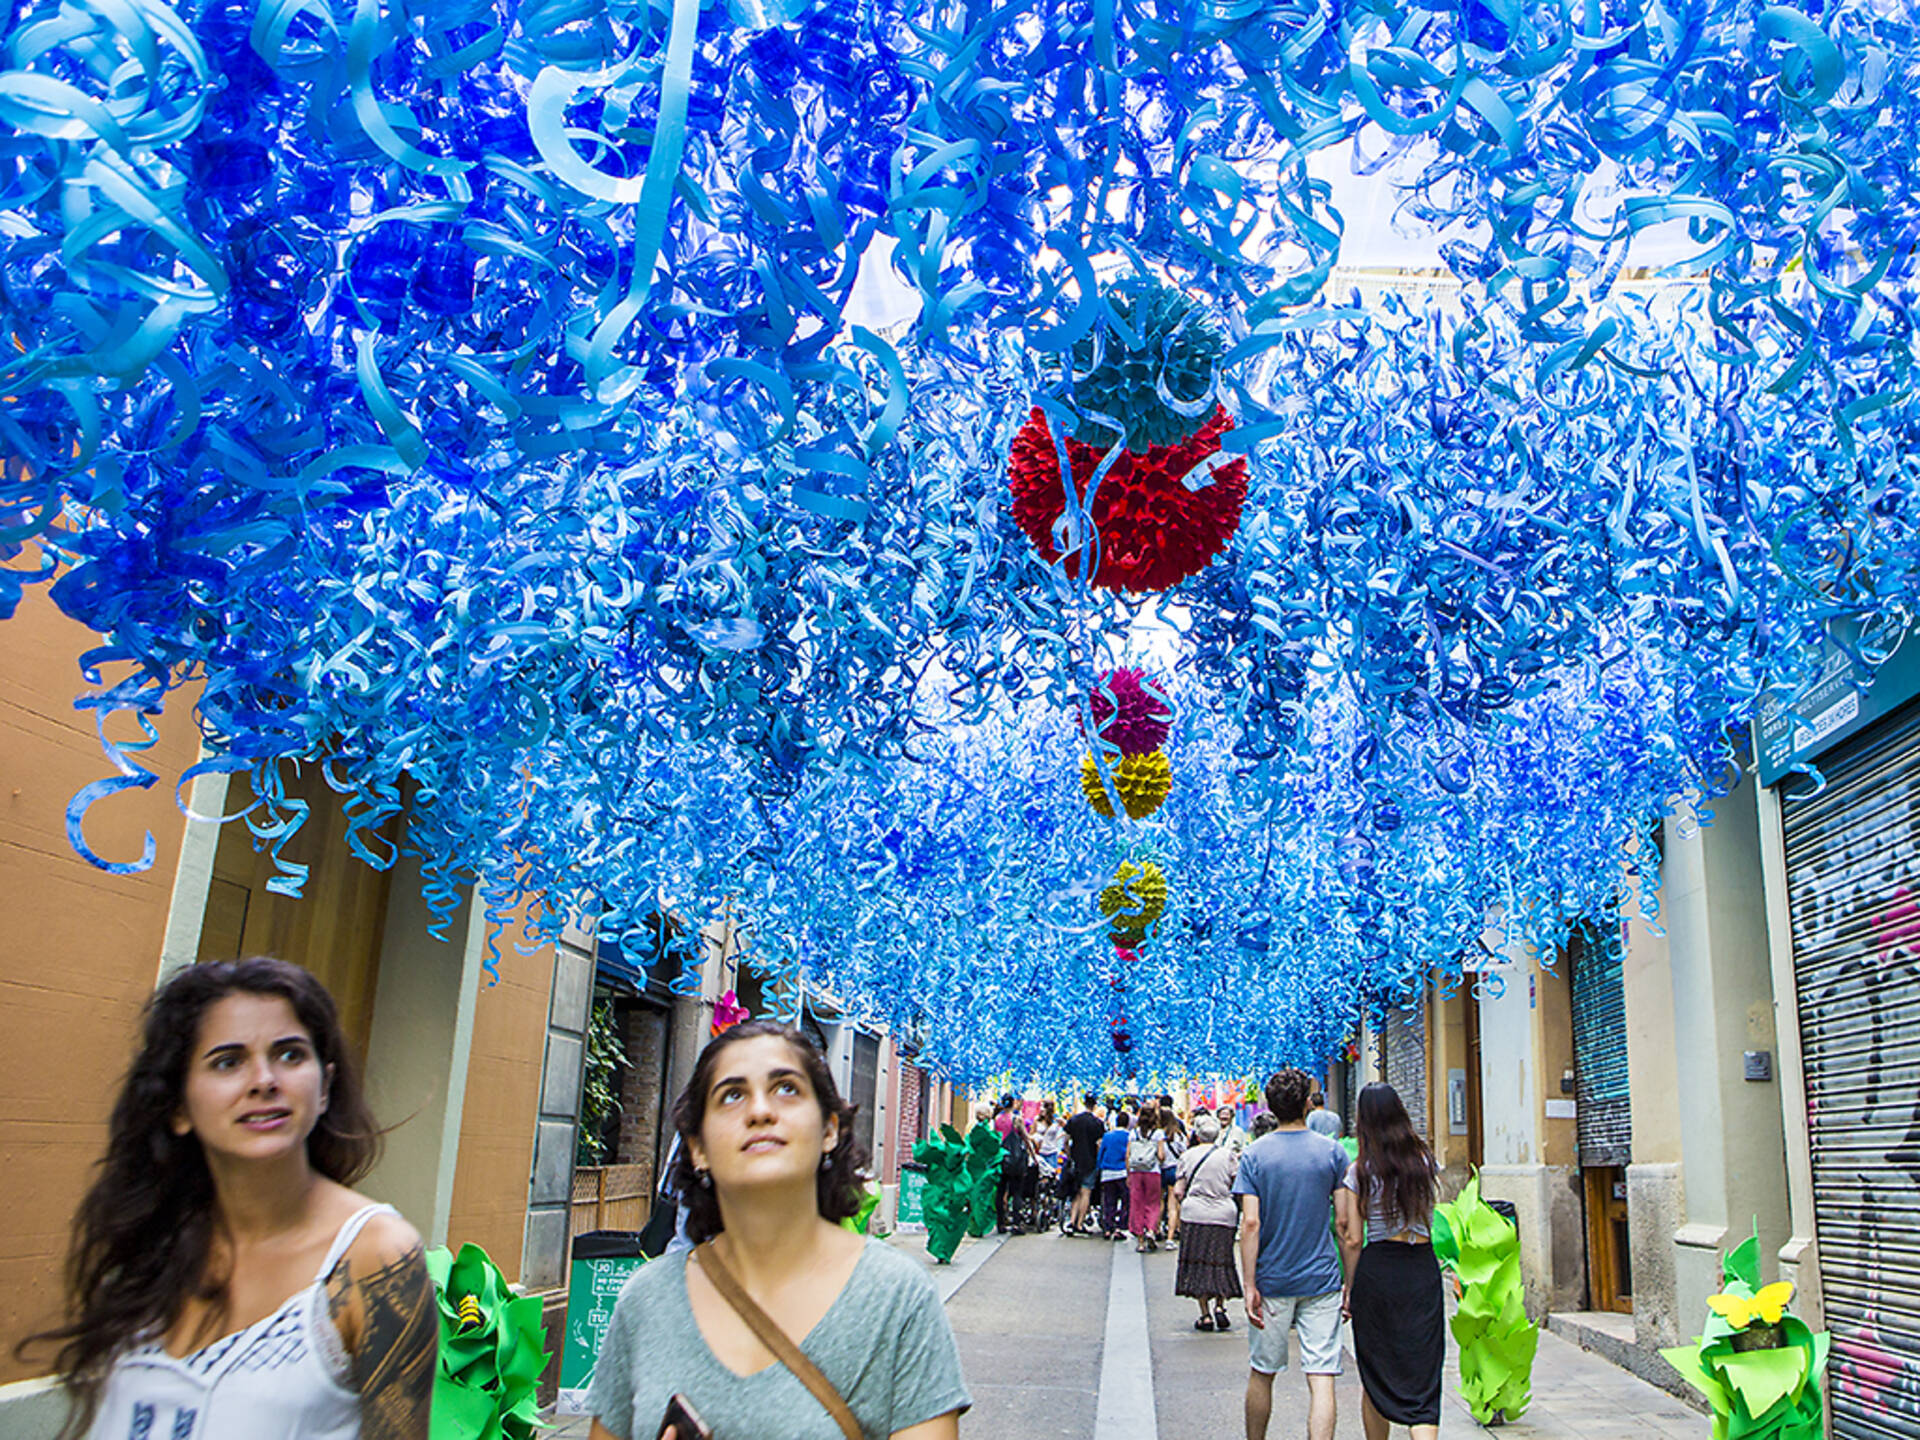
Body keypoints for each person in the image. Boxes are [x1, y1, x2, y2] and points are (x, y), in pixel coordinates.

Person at [24, 958, 433, 1440]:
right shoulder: (155, 1239)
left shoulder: (375, 1257)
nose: (264, 1079)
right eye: (228, 1061)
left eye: (289, 1054)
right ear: (178, 1108)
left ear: (324, 1088)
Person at [587, 1019, 970, 1440]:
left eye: (787, 1088)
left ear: (829, 1130)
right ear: (698, 1148)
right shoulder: (646, 1300)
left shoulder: (898, 1298)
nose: (760, 1111)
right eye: (731, 1096)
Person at [1232, 1068, 1359, 1440]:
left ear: (1271, 1107)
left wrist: (1249, 1283)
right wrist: (1349, 1281)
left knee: (1262, 1371)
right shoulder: (1333, 1153)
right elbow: (1344, 1225)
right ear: (1307, 1102)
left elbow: (1250, 1224)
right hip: (1321, 1279)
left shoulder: (1254, 1155)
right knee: (1322, 1376)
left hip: (1272, 1279)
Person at [1338, 1083, 1443, 1440]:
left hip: (1379, 1270)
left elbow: (1352, 1237)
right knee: (1424, 1376)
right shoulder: (1426, 1161)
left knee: (1376, 1370)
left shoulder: (1360, 1171)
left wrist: (1350, 1286)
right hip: (1421, 1267)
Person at [1173, 1114, 1242, 1332]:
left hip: (1195, 1214)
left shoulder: (1188, 1155)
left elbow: (1177, 1190)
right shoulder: (1228, 1155)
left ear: (1197, 1134)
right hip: (1224, 1214)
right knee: (1221, 1260)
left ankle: (1204, 1314)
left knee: (1199, 1262)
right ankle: (1221, 1306)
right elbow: (1237, 1184)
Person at [1125, 1102, 1168, 1252]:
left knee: (1137, 1204)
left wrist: (1128, 1173)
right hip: (1153, 1171)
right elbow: (1161, 1155)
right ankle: (1150, 1230)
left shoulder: (1133, 1133)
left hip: (1136, 1171)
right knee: (1153, 1203)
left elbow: (1128, 1155)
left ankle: (1141, 1241)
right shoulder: (1158, 1134)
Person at [1064, 1095, 1106, 1235]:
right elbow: (1099, 1144)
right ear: (1095, 1105)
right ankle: (1080, 1223)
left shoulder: (1074, 1120)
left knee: (1076, 1192)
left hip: (1076, 1160)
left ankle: (1072, 1220)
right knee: (1086, 1192)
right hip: (1090, 1161)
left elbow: (1066, 1141)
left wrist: (1069, 1154)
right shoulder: (1097, 1123)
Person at [996, 1110, 1036, 1235]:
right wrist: (1033, 1156)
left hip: (1001, 1159)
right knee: (1017, 1192)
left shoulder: (997, 1119)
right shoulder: (1017, 1119)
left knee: (1001, 1191)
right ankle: (1016, 1223)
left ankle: (1000, 1222)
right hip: (1016, 1162)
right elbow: (1025, 1138)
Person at [1096, 1110, 1133, 1238]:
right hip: (1123, 1172)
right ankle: (1121, 1227)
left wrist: (1099, 1168)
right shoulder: (1130, 1136)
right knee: (1125, 1201)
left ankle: (1108, 1227)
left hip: (1108, 1172)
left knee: (1109, 1201)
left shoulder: (1107, 1136)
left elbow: (1101, 1153)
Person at [1156, 1096, 1187, 1243]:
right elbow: (1184, 1153)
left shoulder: (1156, 1134)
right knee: (1173, 1205)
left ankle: (1156, 1230)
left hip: (1159, 1170)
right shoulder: (1178, 1134)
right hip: (1174, 1169)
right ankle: (1172, 1234)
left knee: (1158, 1202)